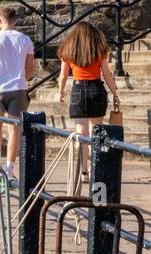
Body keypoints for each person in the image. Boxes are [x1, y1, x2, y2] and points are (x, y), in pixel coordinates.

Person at [57, 22, 120, 185]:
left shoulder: (68, 49)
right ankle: (95, 168)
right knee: (96, 131)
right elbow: (106, 74)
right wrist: (115, 93)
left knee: (80, 132)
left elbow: (63, 75)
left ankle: (83, 171)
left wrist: (61, 91)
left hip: (78, 89)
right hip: (96, 88)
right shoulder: (99, 49)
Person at [0, 6, 35, 179]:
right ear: (16, 20)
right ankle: (9, 171)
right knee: (14, 130)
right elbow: (31, 69)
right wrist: (23, 77)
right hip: (18, 87)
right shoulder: (25, 40)